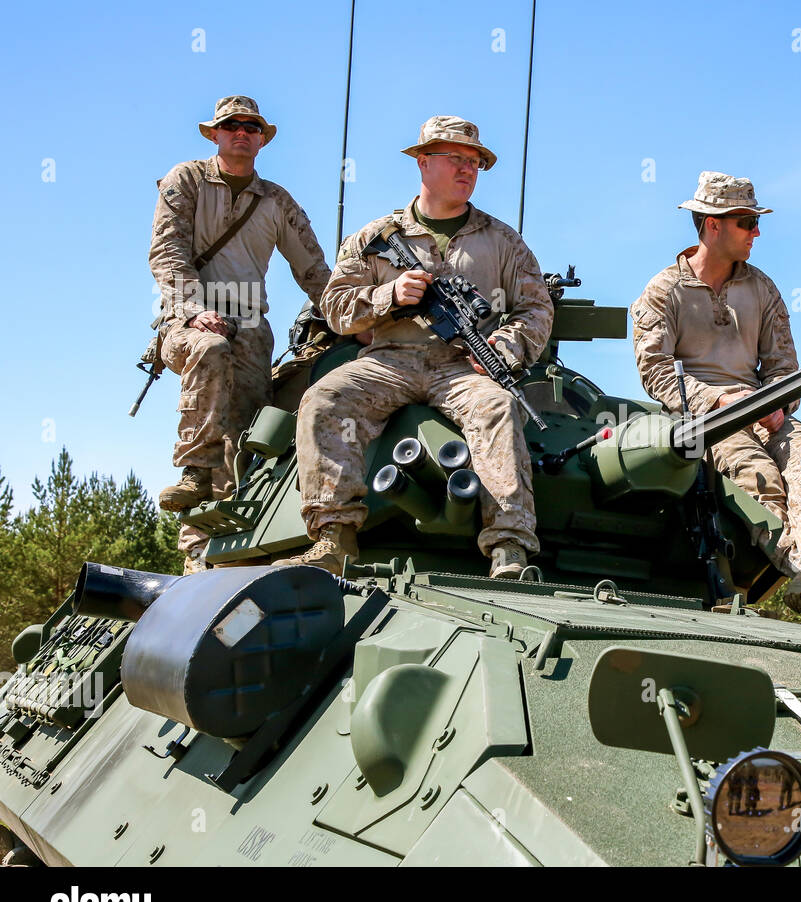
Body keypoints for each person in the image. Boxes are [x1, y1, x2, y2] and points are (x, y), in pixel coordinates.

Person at [277, 116, 552, 576]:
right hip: (389, 360)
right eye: (456, 159)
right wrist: (390, 295)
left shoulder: (502, 241)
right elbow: (336, 307)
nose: (468, 169)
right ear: (424, 162)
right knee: (325, 398)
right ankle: (334, 537)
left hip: (462, 365)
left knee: (498, 408)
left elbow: (536, 309)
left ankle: (509, 547)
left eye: (475, 162)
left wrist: (503, 348)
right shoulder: (376, 237)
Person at [630, 171, 801, 624]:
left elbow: (782, 368)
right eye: (746, 223)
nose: (757, 232)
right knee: (757, 477)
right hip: (700, 419)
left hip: (762, 410)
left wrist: (779, 402)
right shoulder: (663, 292)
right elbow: (654, 371)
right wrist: (715, 403)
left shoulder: (762, 289)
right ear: (712, 225)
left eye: (755, 222)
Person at [149, 95, 330, 574]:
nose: (242, 133)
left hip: (251, 327)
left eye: (252, 127)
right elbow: (167, 253)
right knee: (209, 350)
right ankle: (193, 472)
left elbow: (315, 272)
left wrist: (354, 318)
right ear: (214, 133)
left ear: (262, 138)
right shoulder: (185, 180)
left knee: (245, 443)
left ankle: (216, 556)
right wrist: (193, 311)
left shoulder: (276, 201)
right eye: (232, 125)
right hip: (187, 320)